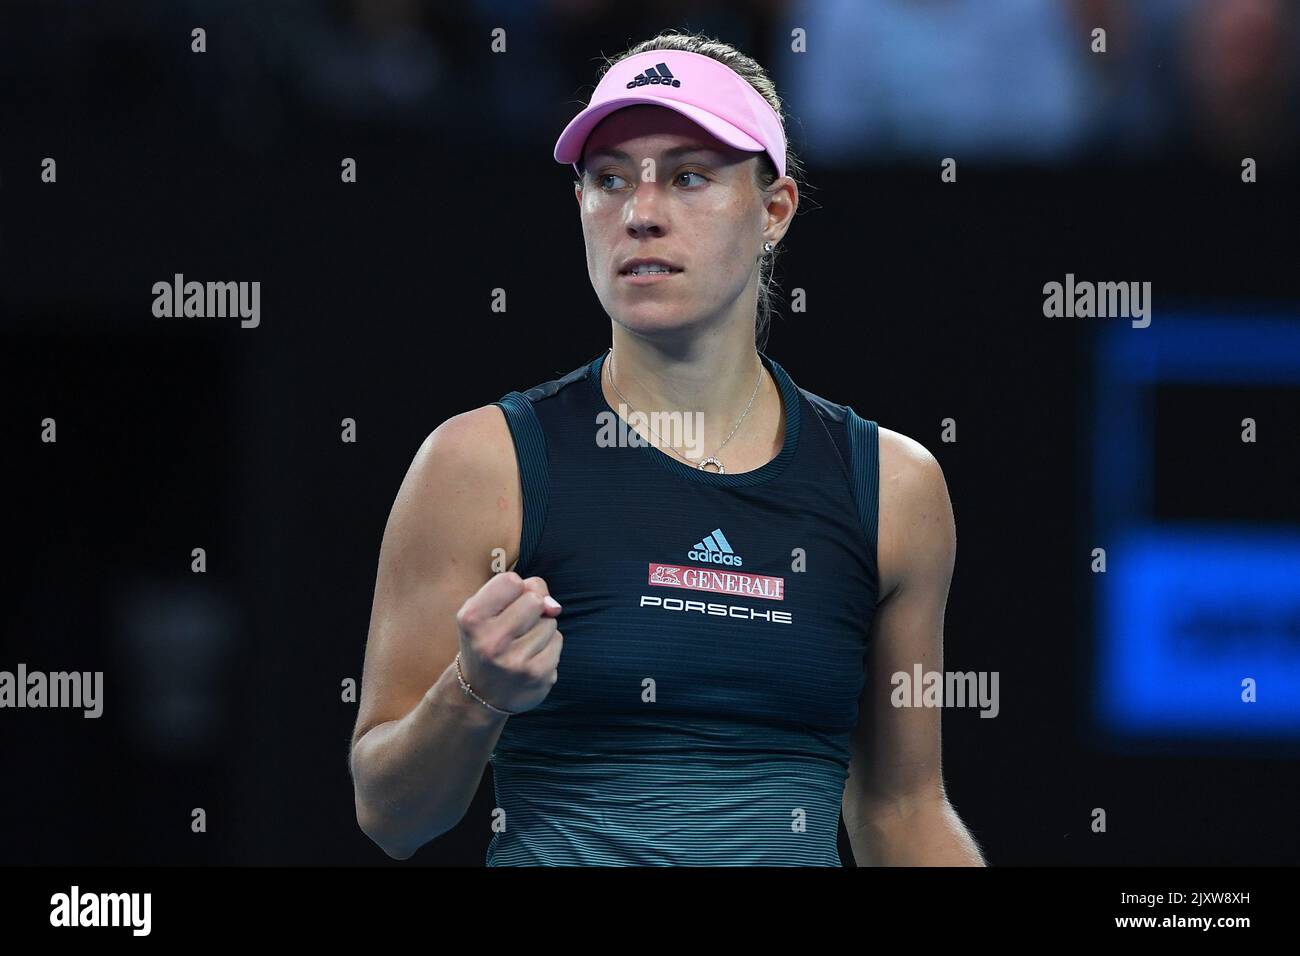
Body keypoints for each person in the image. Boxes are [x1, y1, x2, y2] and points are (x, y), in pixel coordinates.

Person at [348, 31, 985, 866]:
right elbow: (390, 816)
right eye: (609, 180)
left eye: (688, 176)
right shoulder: (479, 465)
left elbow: (903, 810)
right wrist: (475, 694)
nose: (641, 211)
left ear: (775, 209)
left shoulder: (893, 488)